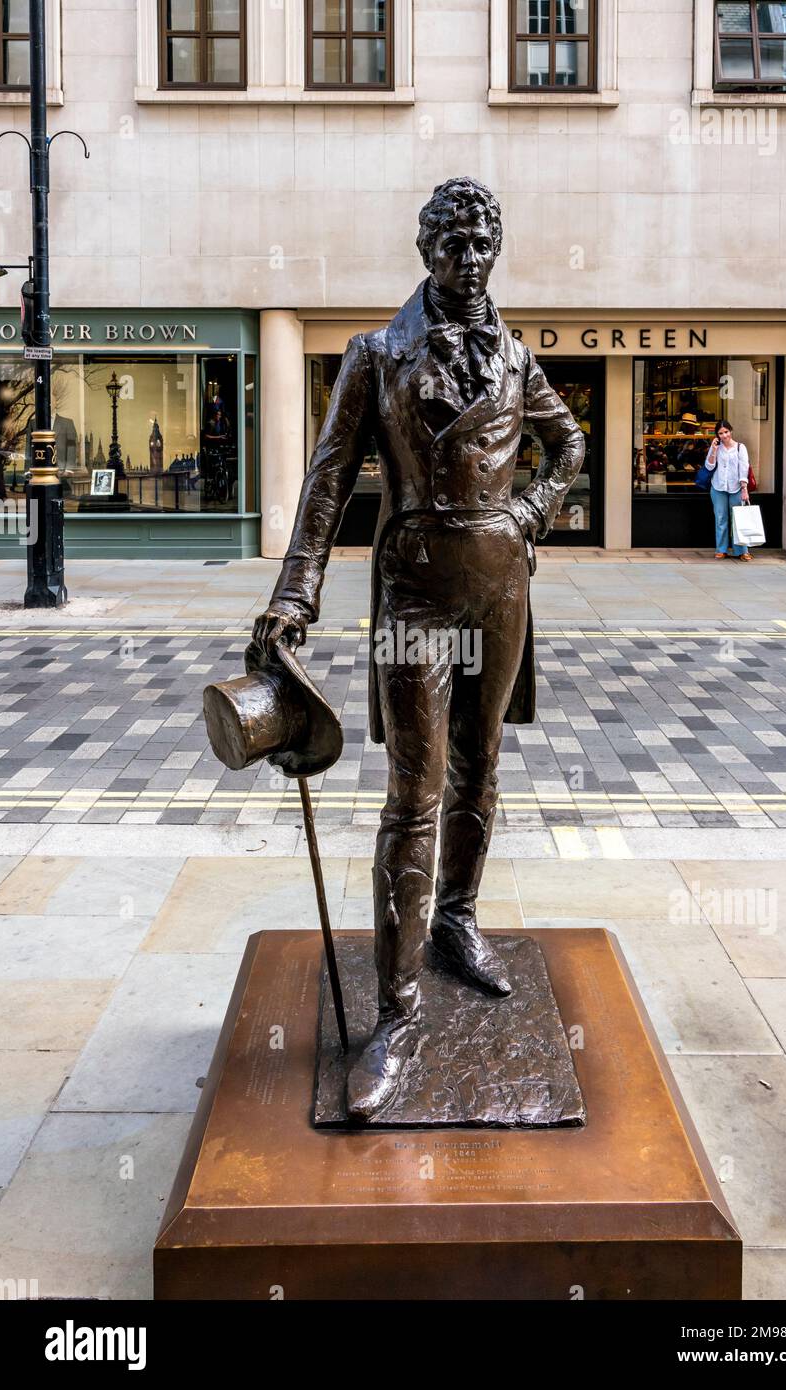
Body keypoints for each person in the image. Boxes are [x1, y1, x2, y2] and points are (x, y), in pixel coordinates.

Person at [249, 177, 584, 1121]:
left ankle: (456, 925)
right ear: (424, 249)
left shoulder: (517, 358)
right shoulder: (373, 354)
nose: (467, 257)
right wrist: (294, 588)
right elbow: (326, 478)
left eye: (481, 242)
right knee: (414, 788)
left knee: (480, 771)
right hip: (413, 597)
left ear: (495, 249)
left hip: (498, 590)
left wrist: (527, 514)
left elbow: (569, 449)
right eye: (451, 242)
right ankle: (394, 1015)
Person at [705, 419, 751, 561]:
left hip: (736, 488)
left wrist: (744, 488)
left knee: (738, 519)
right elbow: (709, 466)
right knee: (720, 519)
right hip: (718, 487)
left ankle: (742, 551)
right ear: (717, 435)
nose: (724, 435)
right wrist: (713, 449)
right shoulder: (716, 448)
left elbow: (744, 469)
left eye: (726, 432)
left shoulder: (740, 447)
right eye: (721, 433)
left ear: (731, 431)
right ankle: (721, 549)